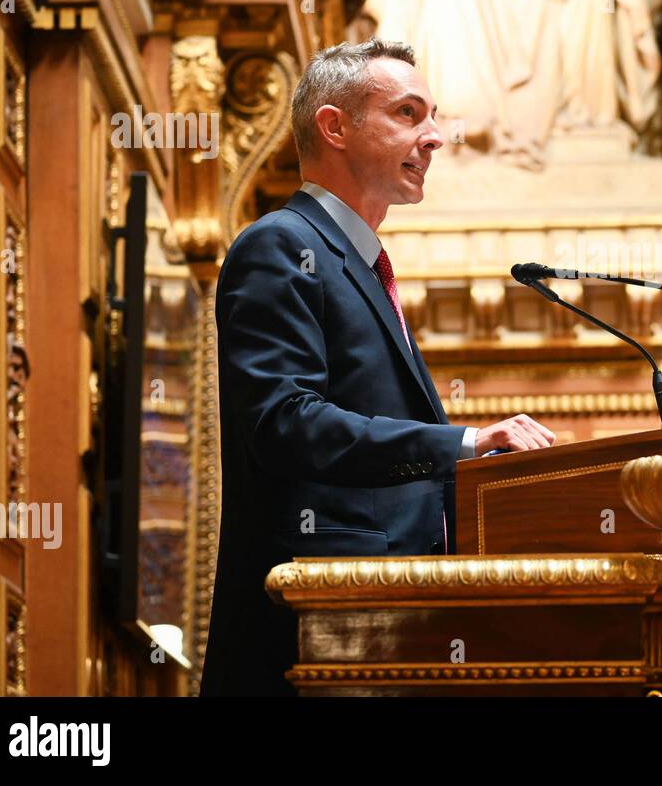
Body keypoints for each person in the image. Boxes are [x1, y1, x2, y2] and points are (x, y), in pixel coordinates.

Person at [200, 38, 555, 696]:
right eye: (408, 114)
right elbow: (286, 424)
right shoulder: (282, 246)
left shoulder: (352, 263)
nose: (436, 137)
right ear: (335, 126)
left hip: (390, 630)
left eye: (433, 116)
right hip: (319, 636)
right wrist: (466, 443)